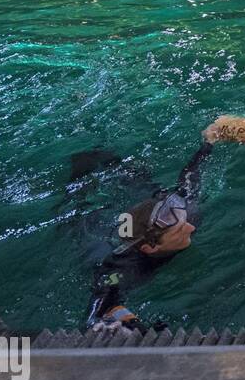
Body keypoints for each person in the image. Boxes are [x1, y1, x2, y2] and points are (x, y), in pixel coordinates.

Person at [86, 141, 212, 331]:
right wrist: (129, 323)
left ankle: (104, 155)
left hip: (141, 209)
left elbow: (189, 179)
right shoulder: (127, 266)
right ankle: (86, 160)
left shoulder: (184, 212)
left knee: (137, 177)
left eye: (183, 222)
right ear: (150, 248)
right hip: (98, 235)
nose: (190, 228)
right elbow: (104, 293)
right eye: (179, 230)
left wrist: (206, 145)